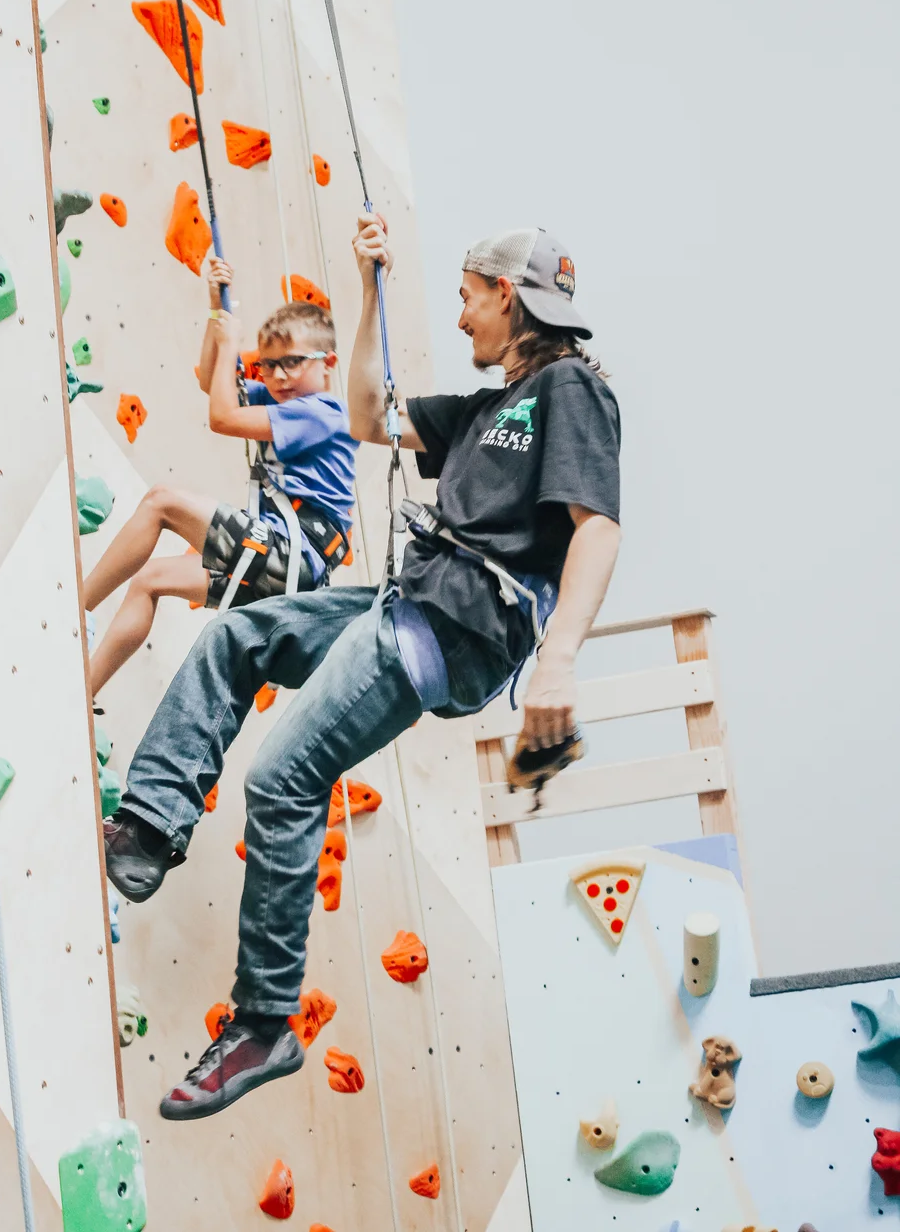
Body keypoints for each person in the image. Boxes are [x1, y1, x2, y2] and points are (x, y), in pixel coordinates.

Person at [104, 214, 622, 1122]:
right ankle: (148, 826)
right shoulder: (483, 409)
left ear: (509, 294)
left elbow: (598, 528)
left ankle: (266, 1022)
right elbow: (370, 414)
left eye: (467, 298)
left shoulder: (570, 391)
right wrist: (368, 288)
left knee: (284, 773)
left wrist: (562, 662)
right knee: (237, 638)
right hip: (406, 603)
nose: (460, 318)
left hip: (453, 626)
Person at [82, 258, 358, 696]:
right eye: (268, 366)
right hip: (277, 559)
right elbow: (213, 382)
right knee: (150, 580)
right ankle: (86, 690)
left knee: (160, 503)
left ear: (329, 363)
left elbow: (223, 418)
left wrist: (231, 340)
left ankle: (75, 610)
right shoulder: (287, 400)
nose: (279, 375)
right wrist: (215, 311)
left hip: (292, 554)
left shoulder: (322, 413)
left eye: (292, 362)